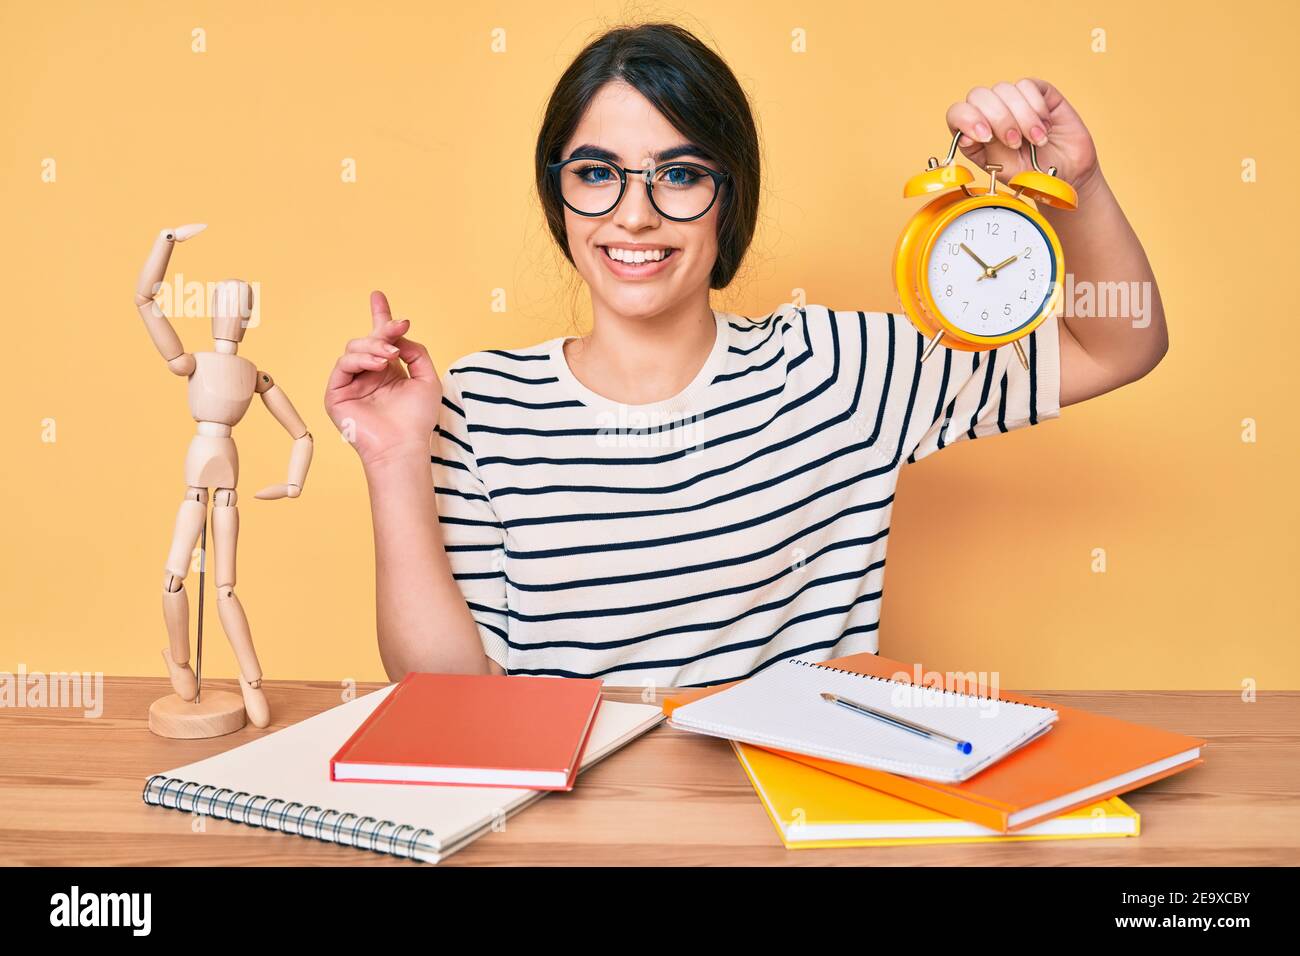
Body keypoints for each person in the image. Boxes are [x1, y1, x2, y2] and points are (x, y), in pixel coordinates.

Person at [324, 23, 1166, 688]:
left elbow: (1118, 342)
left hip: (785, 830)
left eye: (680, 175)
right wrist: (394, 460)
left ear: (731, 197)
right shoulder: (476, 404)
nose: (635, 216)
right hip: (566, 835)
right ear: (560, 194)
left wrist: (1076, 188)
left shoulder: (837, 371)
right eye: (596, 172)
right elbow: (444, 695)